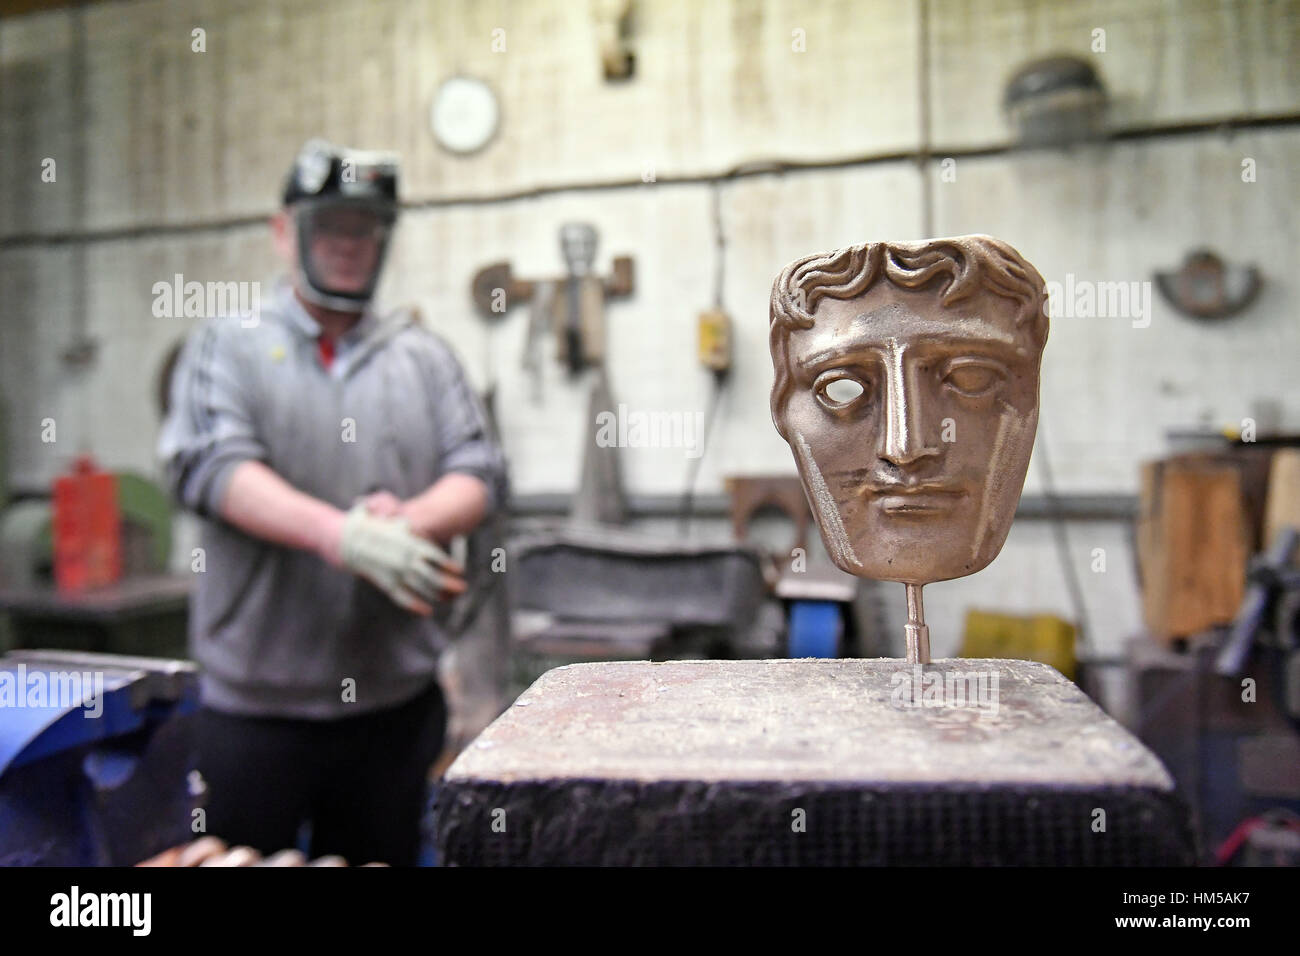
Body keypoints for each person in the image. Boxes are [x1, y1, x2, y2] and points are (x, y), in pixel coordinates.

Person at [157, 139, 508, 865]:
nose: (349, 245)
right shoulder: (227, 347)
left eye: (366, 229)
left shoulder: (424, 356)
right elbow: (211, 468)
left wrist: (410, 522)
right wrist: (342, 536)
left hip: (393, 709)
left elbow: (480, 470)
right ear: (285, 232)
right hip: (255, 713)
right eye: (330, 227)